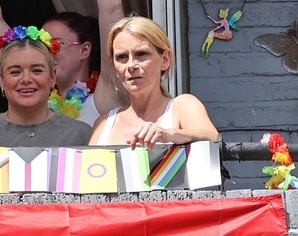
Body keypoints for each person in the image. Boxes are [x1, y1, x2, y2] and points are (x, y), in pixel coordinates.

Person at [0, 26, 93, 148]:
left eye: (36, 71)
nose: (26, 79)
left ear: (53, 76)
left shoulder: (81, 136)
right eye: (15, 72)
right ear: (1, 79)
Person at [90, 16, 219, 148]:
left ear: (165, 60)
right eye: (122, 57)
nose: (131, 65)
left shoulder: (182, 106)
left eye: (141, 54)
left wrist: (171, 134)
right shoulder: (104, 124)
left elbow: (213, 138)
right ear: (114, 67)